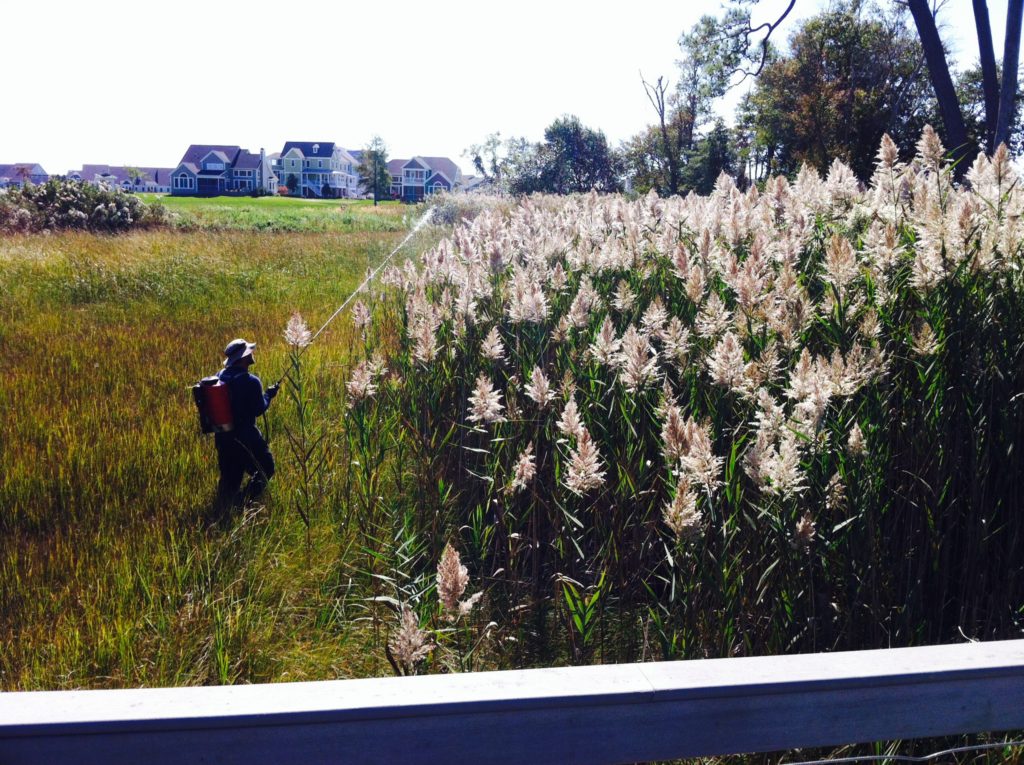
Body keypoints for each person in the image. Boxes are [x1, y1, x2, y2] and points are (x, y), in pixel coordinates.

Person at [214, 338, 279, 511]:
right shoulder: (251, 381)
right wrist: (268, 396)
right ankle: (243, 502)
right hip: (247, 438)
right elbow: (259, 409)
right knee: (266, 468)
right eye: (249, 352)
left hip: (224, 437)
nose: (252, 353)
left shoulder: (220, 376)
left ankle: (223, 509)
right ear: (243, 358)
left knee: (229, 480)